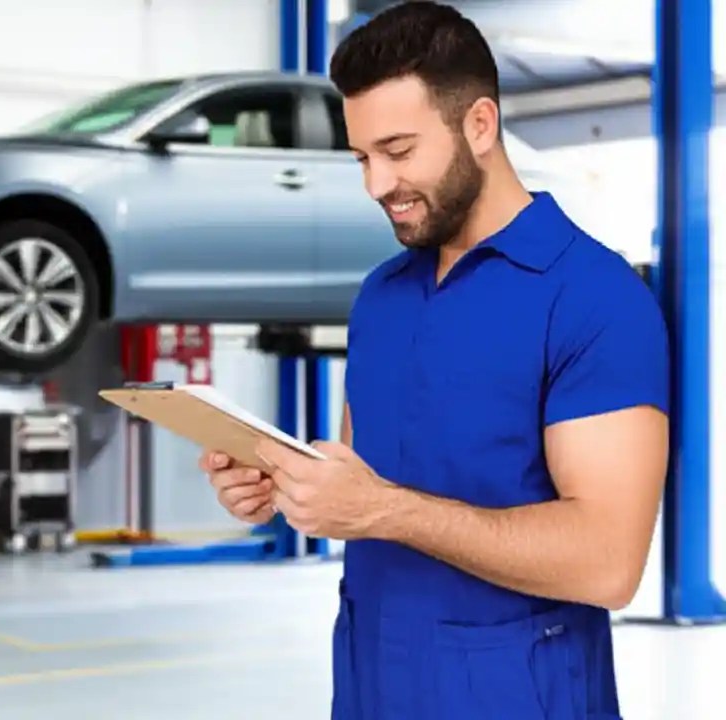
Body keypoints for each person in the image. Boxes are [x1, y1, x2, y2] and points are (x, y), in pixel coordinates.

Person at [200, 2, 670, 718]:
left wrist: (382, 510)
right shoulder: (382, 296)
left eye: (398, 150)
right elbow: (358, 491)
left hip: (519, 697)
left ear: (479, 124)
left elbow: (609, 563)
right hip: (371, 684)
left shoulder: (594, 299)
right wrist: (285, 488)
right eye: (362, 157)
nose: (375, 185)